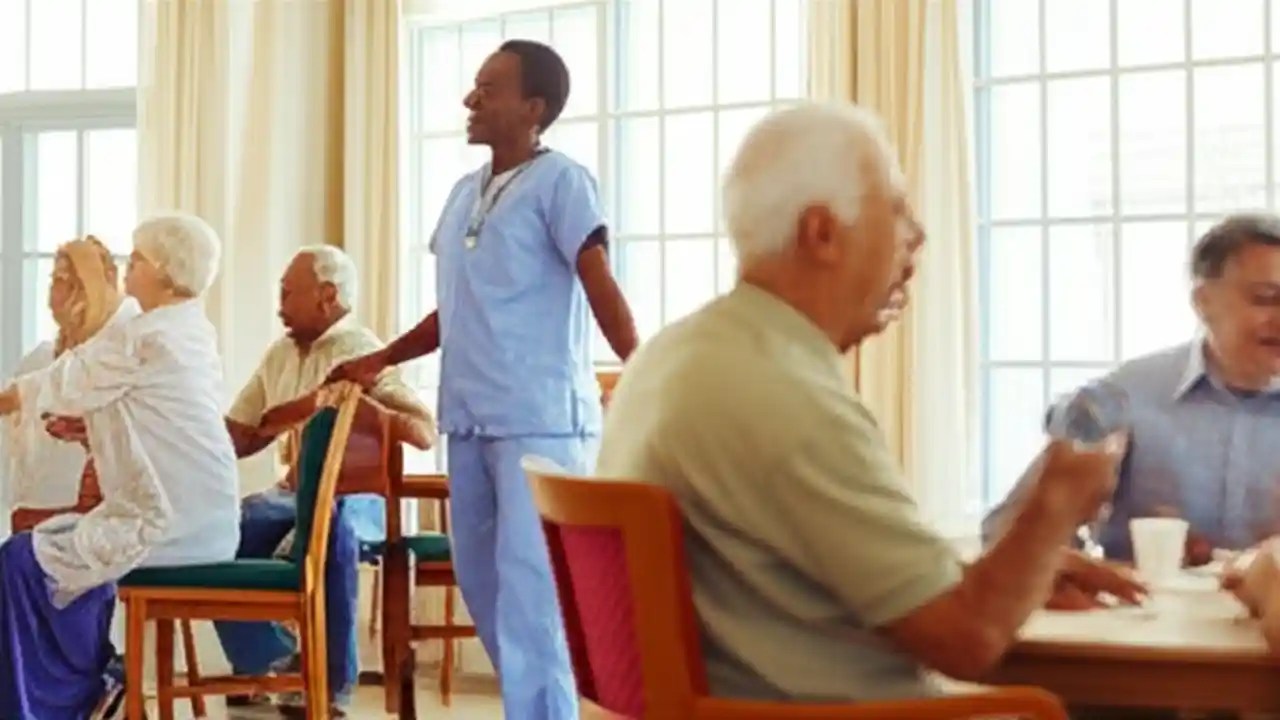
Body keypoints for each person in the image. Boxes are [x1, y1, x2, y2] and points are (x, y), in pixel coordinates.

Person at [595, 103, 1134, 702]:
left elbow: (800, 576)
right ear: (822, 233)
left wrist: (1027, 569)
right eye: (897, 209)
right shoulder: (783, 394)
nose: (919, 235)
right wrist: (1056, 505)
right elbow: (967, 640)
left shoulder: (676, 355)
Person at [329, 40, 638, 719]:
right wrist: (380, 357)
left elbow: (598, 283)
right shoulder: (464, 193)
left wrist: (644, 370)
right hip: (467, 416)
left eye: (488, 88)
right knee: (486, 587)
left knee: (533, 594)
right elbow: (459, 305)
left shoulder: (563, 183)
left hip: (539, 420)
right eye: (473, 86)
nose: (471, 99)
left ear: (534, 109)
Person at [0, 212, 241, 719]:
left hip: (170, 525)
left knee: (22, 559)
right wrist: (90, 432)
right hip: (209, 520)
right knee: (53, 546)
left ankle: (59, 699)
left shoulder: (142, 337)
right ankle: (92, 679)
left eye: (137, 261)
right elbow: (157, 421)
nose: (128, 273)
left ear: (168, 273)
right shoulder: (191, 329)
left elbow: (53, 384)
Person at [984, 213, 1280, 567]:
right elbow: (1007, 533)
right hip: (1142, 616)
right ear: (1204, 301)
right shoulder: (1126, 397)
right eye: (1266, 299)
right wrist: (1065, 557)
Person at [216, 245, 435, 714]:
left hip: (360, 499)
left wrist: (356, 402)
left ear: (327, 295)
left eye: (288, 294)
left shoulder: (361, 352)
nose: (279, 306)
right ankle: (268, 664)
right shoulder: (279, 354)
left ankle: (331, 684)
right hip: (291, 495)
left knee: (330, 525)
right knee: (229, 526)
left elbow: (422, 431)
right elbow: (241, 433)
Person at [1, 236, 140, 536]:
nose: (57, 293)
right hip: (32, 504)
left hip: (96, 515)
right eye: (55, 281)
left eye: (67, 281)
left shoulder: (116, 354)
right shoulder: (40, 357)